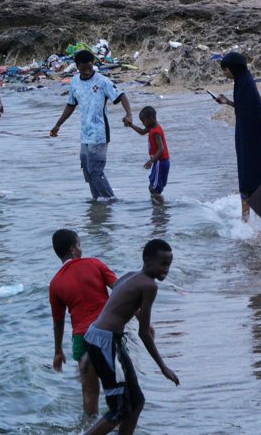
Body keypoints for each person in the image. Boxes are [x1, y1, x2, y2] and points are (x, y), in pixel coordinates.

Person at [81, 239, 180, 435]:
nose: (166, 269)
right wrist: (163, 367)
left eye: (169, 264)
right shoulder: (149, 286)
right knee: (119, 410)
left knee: (136, 402)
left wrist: (90, 350)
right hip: (106, 341)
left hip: (100, 338)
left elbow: (112, 309)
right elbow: (144, 333)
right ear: (147, 260)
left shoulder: (129, 276)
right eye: (162, 264)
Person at [49, 228, 118, 419]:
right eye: (79, 245)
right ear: (72, 249)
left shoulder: (55, 283)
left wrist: (58, 352)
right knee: (120, 390)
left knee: (90, 396)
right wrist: (140, 317)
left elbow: (58, 321)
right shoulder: (94, 264)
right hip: (107, 332)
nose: (81, 250)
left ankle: (87, 429)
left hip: (82, 338)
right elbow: (120, 290)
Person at [207, 52, 261, 221]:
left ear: (235, 67)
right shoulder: (242, 81)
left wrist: (247, 137)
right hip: (246, 133)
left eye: (226, 70)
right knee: (249, 172)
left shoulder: (246, 84)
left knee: (248, 174)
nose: (224, 73)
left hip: (251, 135)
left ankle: (246, 223)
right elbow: (244, 107)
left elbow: (250, 111)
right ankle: (249, 220)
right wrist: (227, 102)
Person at [49, 49, 133, 200]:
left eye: (89, 68)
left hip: (99, 134)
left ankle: (111, 200)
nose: (87, 71)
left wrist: (128, 114)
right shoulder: (74, 82)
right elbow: (70, 105)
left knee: (96, 172)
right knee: (87, 172)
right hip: (85, 135)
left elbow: (121, 95)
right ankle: (97, 203)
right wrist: (58, 125)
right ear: (76, 67)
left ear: (93, 65)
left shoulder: (102, 81)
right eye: (83, 69)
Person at [123, 106, 171, 201]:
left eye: (144, 122)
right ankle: (156, 208)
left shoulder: (156, 131)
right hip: (158, 162)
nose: (143, 124)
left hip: (160, 162)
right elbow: (141, 132)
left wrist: (151, 161)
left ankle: (162, 207)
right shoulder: (151, 127)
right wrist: (131, 125)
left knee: (154, 189)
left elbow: (161, 149)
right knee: (152, 187)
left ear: (151, 119)